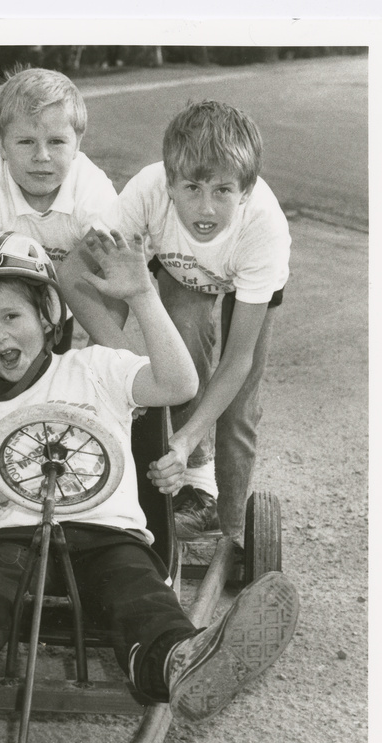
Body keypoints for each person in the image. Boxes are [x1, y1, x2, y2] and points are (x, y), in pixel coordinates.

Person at [0, 231, 299, 721]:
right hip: (16, 542)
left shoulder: (97, 368)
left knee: (138, 598)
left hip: (111, 538)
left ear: (46, 316)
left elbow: (179, 384)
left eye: (11, 316)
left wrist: (144, 294)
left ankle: (180, 662)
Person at [58, 99, 291, 544]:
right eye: (191, 188)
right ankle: (197, 490)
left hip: (246, 275)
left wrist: (182, 439)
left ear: (245, 190)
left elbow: (238, 358)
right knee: (182, 355)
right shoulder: (148, 189)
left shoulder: (265, 227)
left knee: (238, 402)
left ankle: (232, 527)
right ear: (169, 183)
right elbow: (72, 273)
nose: (205, 209)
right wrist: (125, 359)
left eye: (222, 191)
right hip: (182, 270)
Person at [0, 66, 117, 404]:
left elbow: (115, 283)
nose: (41, 156)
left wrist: (104, 361)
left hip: (68, 300)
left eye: (56, 142)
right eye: (26, 141)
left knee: (68, 388)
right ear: (2, 144)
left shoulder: (93, 189)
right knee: (10, 397)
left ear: (77, 144)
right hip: (4, 306)